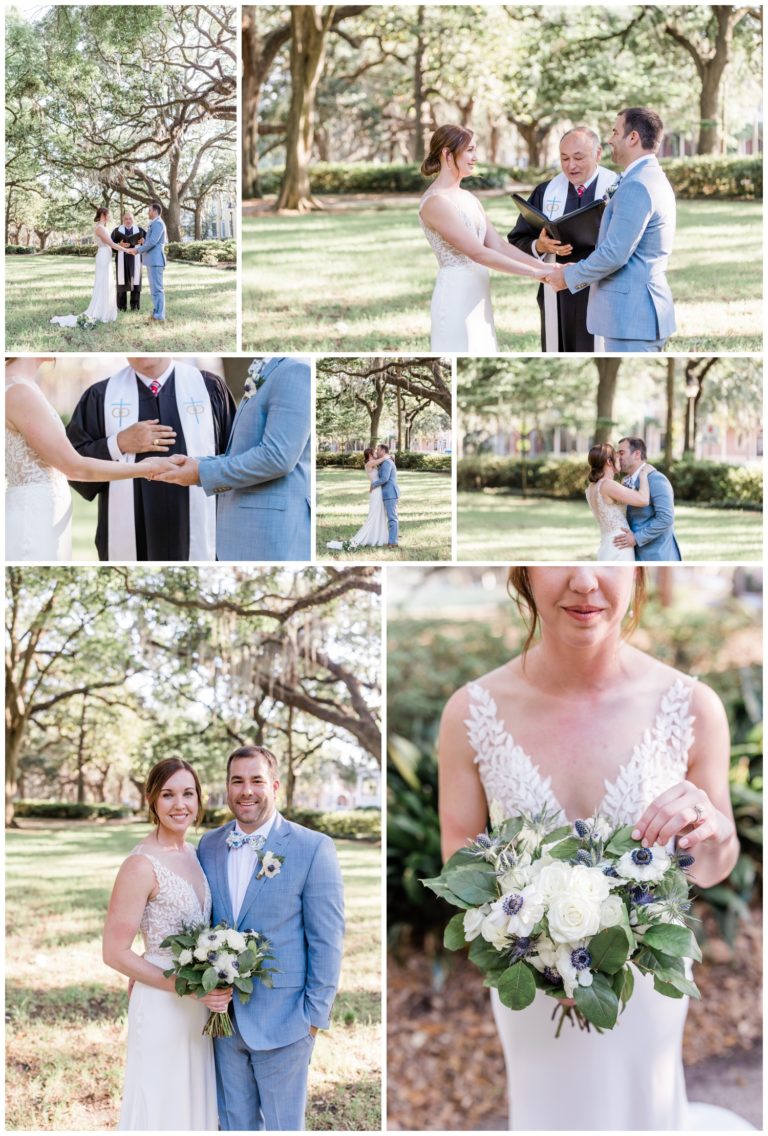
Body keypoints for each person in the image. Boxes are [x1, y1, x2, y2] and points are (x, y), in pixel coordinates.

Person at [438, 566, 749, 1131]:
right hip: (531, 992)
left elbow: (712, 868)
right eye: (560, 557)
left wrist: (714, 829)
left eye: (604, 558)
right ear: (524, 569)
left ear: (636, 569)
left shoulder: (693, 707)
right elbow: (458, 860)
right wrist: (539, 957)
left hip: (647, 986)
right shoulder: (470, 712)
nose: (584, 581)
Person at [197, 745, 345, 1131]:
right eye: (237, 781)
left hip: (286, 1023)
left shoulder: (312, 848)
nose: (247, 791)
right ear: (227, 788)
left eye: (256, 781)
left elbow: (327, 940)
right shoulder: (208, 845)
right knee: (233, 1125)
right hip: (224, 1023)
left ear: (275, 786)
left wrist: (313, 1019)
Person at [103, 757, 229, 1130]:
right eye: (169, 795)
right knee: (161, 1104)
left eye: (188, 793)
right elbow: (114, 952)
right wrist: (186, 987)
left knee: (193, 1103)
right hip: (162, 1002)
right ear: (152, 800)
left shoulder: (197, 854)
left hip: (199, 1007)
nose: (180, 805)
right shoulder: (140, 865)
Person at [65, 356, 236, 561]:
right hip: (130, 537)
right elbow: (73, 467)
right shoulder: (100, 395)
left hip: (202, 533)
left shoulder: (209, 388)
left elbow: (235, 460)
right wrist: (118, 443)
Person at [5, 356, 167, 561]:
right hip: (34, 519)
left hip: (41, 513)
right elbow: (75, 468)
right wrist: (145, 468)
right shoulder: (19, 391)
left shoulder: (19, 385)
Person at [154, 356, 311, 561]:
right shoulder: (267, 370)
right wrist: (197, 463)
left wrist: (201, 473)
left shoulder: (295, 371)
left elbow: (277, 457)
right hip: (243, 534)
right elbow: (242, 452)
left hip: (272, 535)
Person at [547, 108, 676, 352]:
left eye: (615, 131)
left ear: (633, 138)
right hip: (637, 314)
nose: (609, 139)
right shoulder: (648, 176)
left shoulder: (637, 185)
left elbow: (614, 254)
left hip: (631, 317)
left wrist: (567, 277)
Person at [419, 125, 550, 352]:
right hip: (456, 295)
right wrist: (538, 274)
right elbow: (478, 253)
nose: (475, 157)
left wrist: (546, 267)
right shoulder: (435, 202)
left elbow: (497, 245)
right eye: (469, 150)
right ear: (447, 154)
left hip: (478, 292)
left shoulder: (469, 198)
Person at [507, 127, 616, 351]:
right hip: (557, 293)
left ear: (597, 154)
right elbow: (517, 239)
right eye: (564, 158)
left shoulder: (615, 188)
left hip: (601, 287)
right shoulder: (546, 191)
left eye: (578, 157)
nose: (570, 165)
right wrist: (539, 245)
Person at [50, 207, 126, 327]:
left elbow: (110, 244)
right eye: (109, 214)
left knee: (107, 283)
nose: (110, 216)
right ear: (103, 215)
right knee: (102, 283)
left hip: (106, 257)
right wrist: (127, 250)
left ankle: (106, 310)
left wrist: (120, 245)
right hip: (102, 257)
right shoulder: (99, 228)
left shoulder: (104, 228)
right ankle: (99, 311)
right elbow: (110, 244)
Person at [614, 436, 682, 560]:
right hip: (632, 555)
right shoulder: (626, 481)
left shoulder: (656, 479)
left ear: (637, 454)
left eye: (621, 453)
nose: (618, 457)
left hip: (657, 555)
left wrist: (636, 538)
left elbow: (666, 518)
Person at [585, 442, 650, 561]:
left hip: (607, 544)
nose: (620, 459)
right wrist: (644, 474)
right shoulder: (608, 485)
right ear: (609, 462)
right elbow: (643, 500)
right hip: (620, 544)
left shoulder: (591, 488)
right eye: (616, 456)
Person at [326, 447, 390, 549]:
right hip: (376, 491)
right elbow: (381, 460)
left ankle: (379, 536)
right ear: (370, 454)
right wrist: (387, 456)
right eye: (374, 452)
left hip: (377, 490)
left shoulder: (374, 463)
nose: (376, 453)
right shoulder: (369, 464)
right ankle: (368, 536)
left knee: (380, 513)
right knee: (374, 514)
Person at [126, 201, 166, 322]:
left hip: (156, 261)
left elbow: (153, 242)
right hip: (151, 261)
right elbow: (150, 241)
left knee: (157, 289)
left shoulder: (158, 223)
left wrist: (137, 250)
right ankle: (156, 313)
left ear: (155, 211)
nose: (148, 212)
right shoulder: (154, 223)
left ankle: (159, 316)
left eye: (149, 210)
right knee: (154, 290)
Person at [111, 211, 146, 312]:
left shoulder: (140, 230)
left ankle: (134, 306)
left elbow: (148, 243)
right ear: (123, 220)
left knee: (136, 283)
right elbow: (111, 245)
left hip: (136, 258)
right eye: (126, 219)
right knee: (122, 282)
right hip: (122, 258)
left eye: (130, 218)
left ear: (133, 219)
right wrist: (119, 245)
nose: (128, 221)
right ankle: (122, 307)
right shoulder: (117, 231)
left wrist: (143, 242)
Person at [368, 443, 400, 547]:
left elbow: (384, 478)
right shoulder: (384, 462)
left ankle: (393, 542)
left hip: (390, 493)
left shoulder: (387, 462)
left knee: (392, 518)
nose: (376, 451)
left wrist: (373, 484)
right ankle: (390, 540)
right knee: (390, 518)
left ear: (383, 451)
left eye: (378, 449)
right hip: (386, 493)